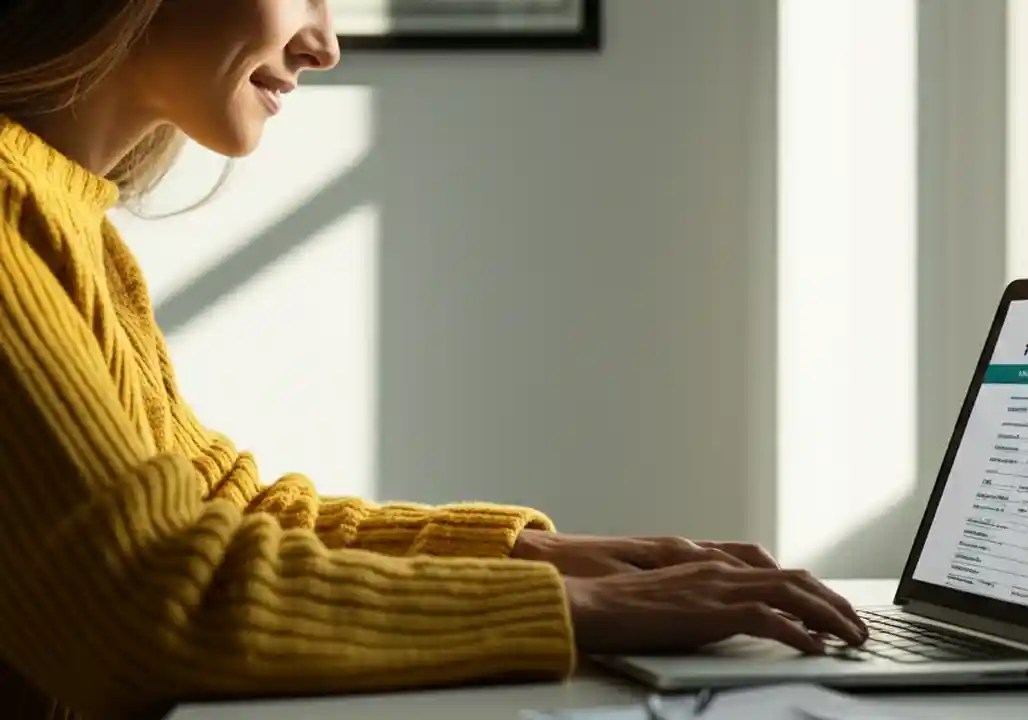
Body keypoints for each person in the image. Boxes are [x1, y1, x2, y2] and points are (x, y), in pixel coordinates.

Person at [0, 1, 867, 717]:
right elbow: (148, 603)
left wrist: (529, 555)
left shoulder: (67, 219)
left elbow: (223, 510)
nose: (324, 43)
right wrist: (586, 609)